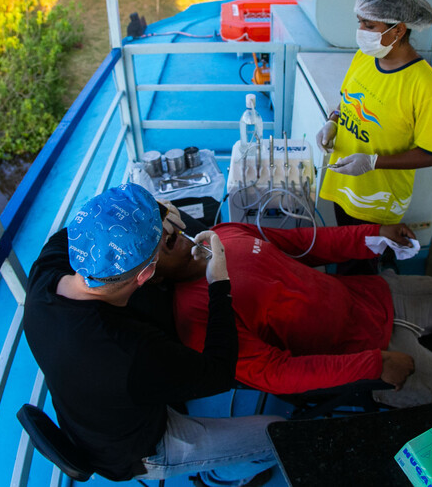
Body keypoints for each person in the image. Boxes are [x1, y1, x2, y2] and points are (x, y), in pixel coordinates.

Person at [23, 184, 279, 487]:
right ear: (147, 275)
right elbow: (220, 372)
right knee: (278, 433)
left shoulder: (45, 273)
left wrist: (155, 210)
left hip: (91, 413)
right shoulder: (129, 353)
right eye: (164, 244)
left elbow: (85, 225)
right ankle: (219, 477)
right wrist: (219, 283)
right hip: (138, 448)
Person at [160, 221, 432, 408]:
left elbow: (302, 243)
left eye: (159, 220)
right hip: (359, 352)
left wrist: (373, 234)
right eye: (153, 242)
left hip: (369, 296)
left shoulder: (225, 232)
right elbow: (275, 373)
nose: (164, 232)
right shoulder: (198, 320)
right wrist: (373, 365)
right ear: (149, 275)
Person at [318, 0, 432, 273]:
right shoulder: (364, 58)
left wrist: (373, 162)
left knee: (359, 267)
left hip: (377, 197)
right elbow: (347, 100)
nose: (360, 31)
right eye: (360, 22)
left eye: (369, 25)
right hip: (344, 182)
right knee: (346, 248)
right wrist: (333, 121)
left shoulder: (427, 87)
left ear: (398, 30)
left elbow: (431, 154)